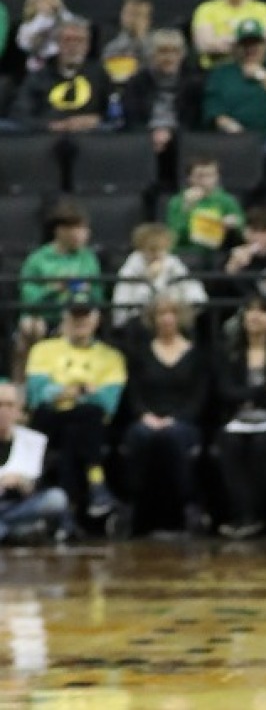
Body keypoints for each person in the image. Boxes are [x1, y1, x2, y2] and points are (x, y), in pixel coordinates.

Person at [24, 298, 124, 530]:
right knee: (82, 415)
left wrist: (63, 391)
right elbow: (37, 395)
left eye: (85, 315)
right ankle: (97, 483)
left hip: (89, 424)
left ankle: (66, 513)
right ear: (64, 319)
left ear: (96, 319)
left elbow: (108, 403)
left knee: (80, 425)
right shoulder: (43, 350)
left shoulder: (111, 357)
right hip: (50, 420)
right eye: (74, 316)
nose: (80, 321)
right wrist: (83, 390)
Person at [120, 292, 210, 535]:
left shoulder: (196, 355)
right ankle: (135, 509)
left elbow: (198, 398)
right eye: (161, 314)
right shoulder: (140, 354)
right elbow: (134, 394)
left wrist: (175, 419)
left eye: (172, 313)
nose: (167, 319)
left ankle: (186, 508)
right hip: (147, 418)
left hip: (183, 421)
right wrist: (145, 416)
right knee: (141, 436)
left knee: (172, 437)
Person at [215, 297, 266, 537]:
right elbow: (225, 392)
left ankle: (256, 515)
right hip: (236, 419)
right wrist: (263, 391)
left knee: (263, 445)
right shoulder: (229, 352)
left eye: (263, 311)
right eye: (250, 311)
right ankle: (243, 515)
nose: (256, 316)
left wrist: (249, 395)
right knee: (230, 443)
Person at [16, 203, 102, 349]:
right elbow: (28, 300)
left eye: (85, 229)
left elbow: (98, 295)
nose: (84, 234)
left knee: (79, 324)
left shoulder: (88, 258)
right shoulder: (38, 259)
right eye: (78, 229)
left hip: (76, 315)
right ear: (60, 231)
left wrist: (87, 290)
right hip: (44, 317)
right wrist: (54, 288)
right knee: (30, 326)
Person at [203, 19, 266, 134]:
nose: (250, 49)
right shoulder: (221, 73)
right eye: (245, 44)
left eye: (255, 43)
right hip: (235, 136)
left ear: (265, 45)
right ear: (235, 47)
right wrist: (237, 132)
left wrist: (260, 74)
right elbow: (214, 111)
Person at [9, 19, 109, 134]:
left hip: (92, 138)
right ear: (57, 43)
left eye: (79, 40)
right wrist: (52, 126)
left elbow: (115, 112)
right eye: (67, 40)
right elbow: (20, 113)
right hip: (46, 137)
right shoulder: (39, 76)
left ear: (88, 45)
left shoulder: (100, 74)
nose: (72, 46)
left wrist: (97, 120)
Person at [0, 381, 69, 543]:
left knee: (56, 498)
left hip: (18, 505)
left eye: (9, 405)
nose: (3, 411)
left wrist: (23, 483)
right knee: (23, 528)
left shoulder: (34, 440)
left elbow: (36, 484)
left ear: (19, 410)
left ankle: (7, 528)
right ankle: (15, 530)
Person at [111, 224, 207, 330]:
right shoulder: (131, 267)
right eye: (152, 249)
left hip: (171, 315)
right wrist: (148, 280)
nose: (158, 254)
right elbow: (122, 304)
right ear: (142, 248)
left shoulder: (173, 262)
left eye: (162, 248)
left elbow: (191, 288)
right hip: (139, 319)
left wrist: (191, 304)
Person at [125, 29, 200, 153]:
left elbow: (193, 121)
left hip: (182, 140)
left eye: (175, 52)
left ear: (182, 55)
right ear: (151, 54)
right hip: (143, 139)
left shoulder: (193, 83)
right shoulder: (137, 82)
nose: (169, 57)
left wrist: (171, 134)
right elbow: (132, 119)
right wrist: (151, 134)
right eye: (163, 51)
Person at [165, 156, 243, 262]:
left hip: (218, 253)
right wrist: (186, 208)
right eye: (200, 176)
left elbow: (242, 230)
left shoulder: (227, 201)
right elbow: (174, 237)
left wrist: (233, 225)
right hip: (186, 253)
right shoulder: (178, 201)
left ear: (217, 177)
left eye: (210, 175)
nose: (205, 181)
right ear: (190, 178)